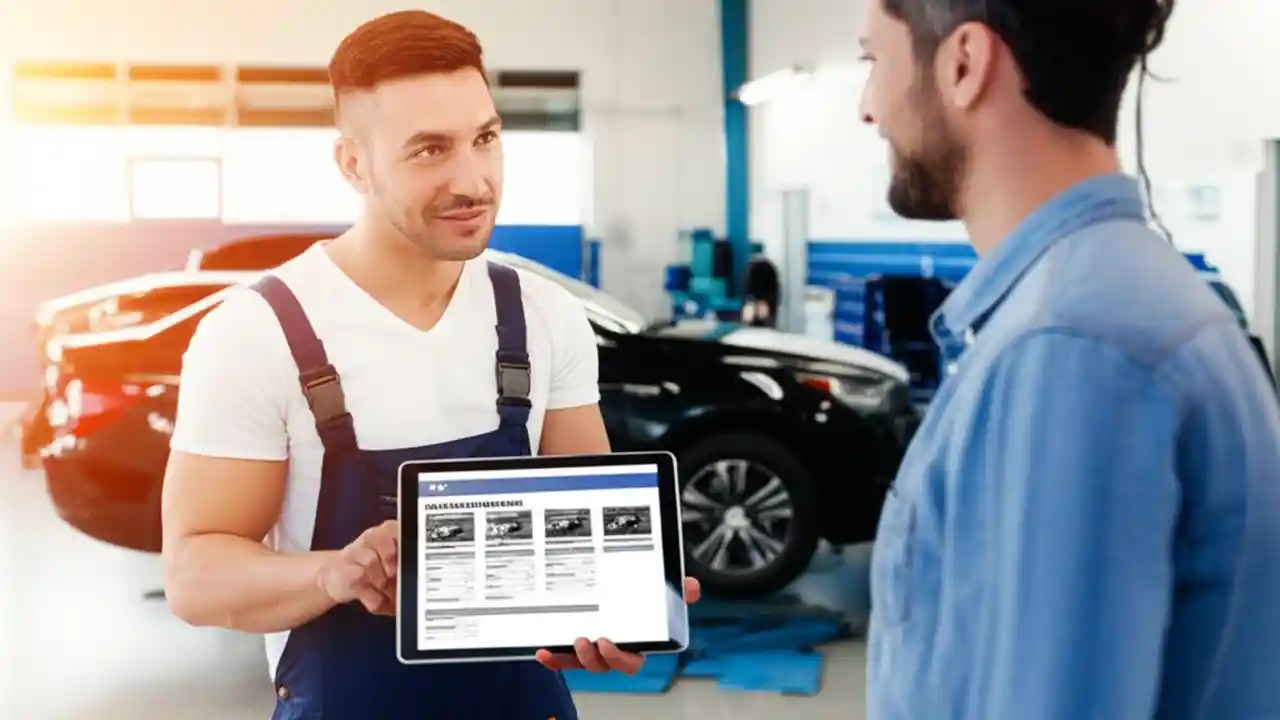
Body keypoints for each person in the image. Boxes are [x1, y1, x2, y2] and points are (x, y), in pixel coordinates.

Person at [159, 10, 698, 720]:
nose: (472, 180)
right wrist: (335, 573)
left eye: (485, 139)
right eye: (429, 151)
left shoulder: (544, 317)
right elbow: (195, 575)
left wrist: (612, 614)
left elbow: (580, 539)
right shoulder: (258, 333)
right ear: (353, 164)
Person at [857, 1, 1280, 718]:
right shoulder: (1113, 305)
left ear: (965, 63)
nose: (867, 109)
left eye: (872, 61)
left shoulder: (1068, 347)